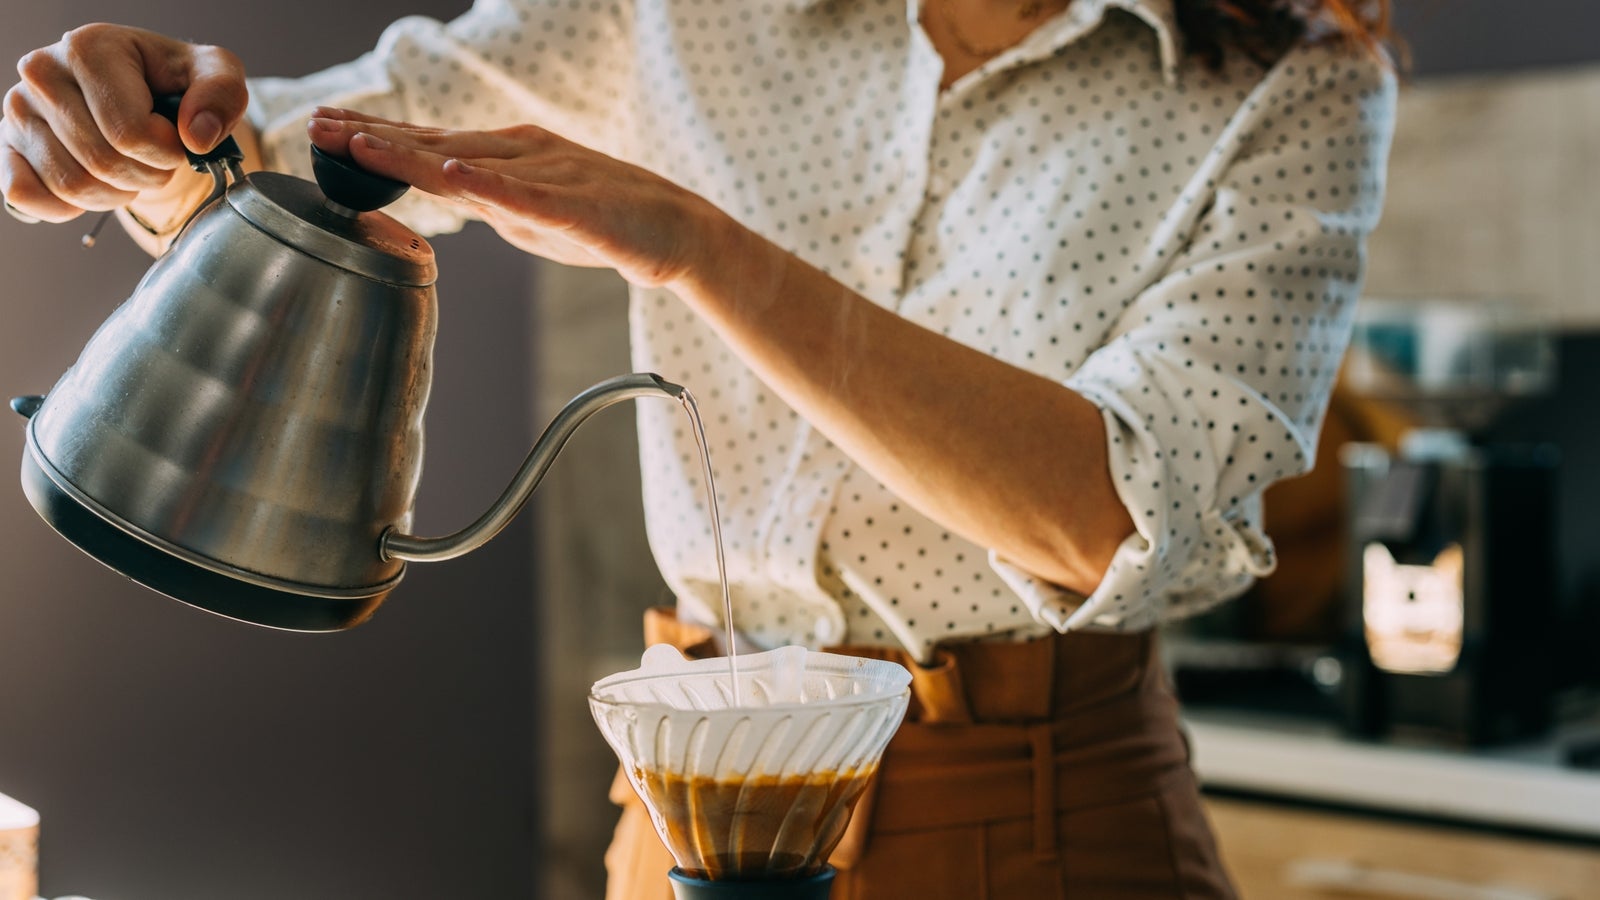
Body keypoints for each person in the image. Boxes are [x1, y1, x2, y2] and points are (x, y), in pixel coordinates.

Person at [1, 0, 1397, 896]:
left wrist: (704, 253)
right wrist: (145, 126)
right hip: (684, 801)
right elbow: (309, 149)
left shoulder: (1297, 82)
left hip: (1043, 815)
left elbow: (1123, 510)